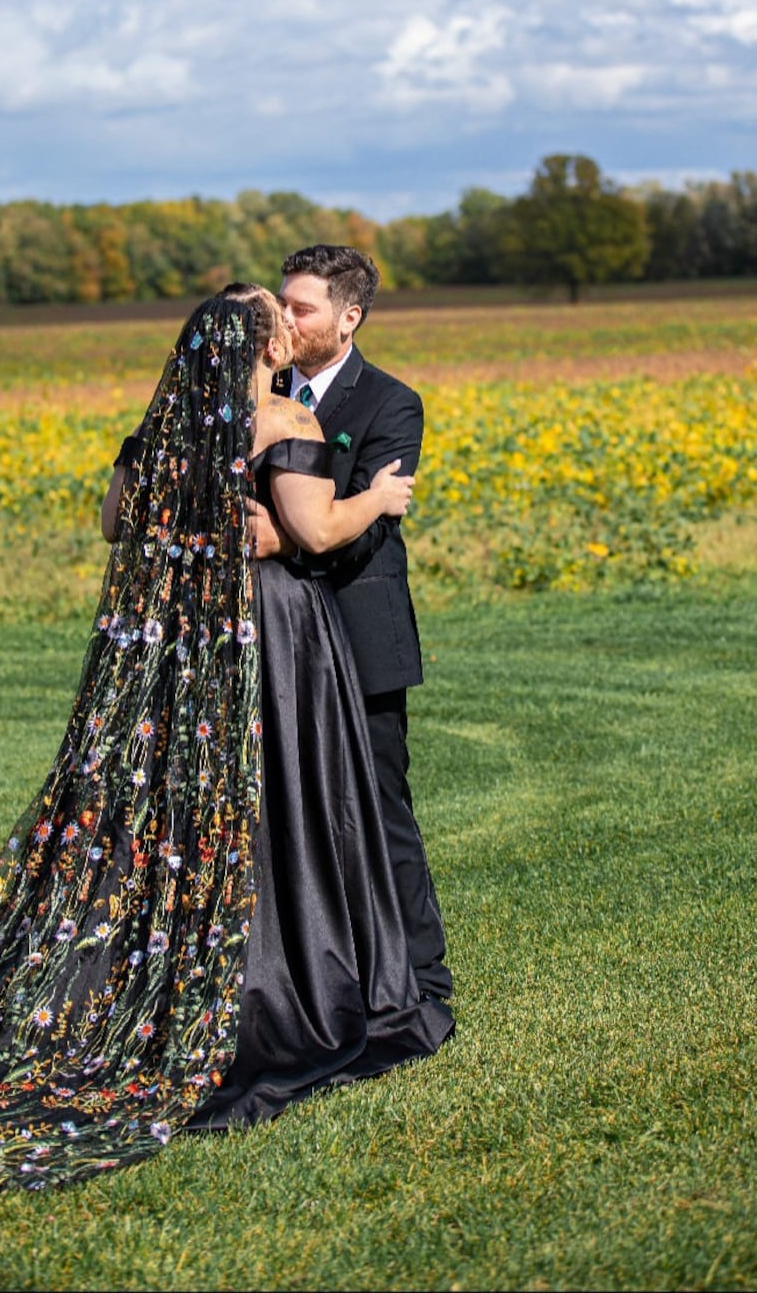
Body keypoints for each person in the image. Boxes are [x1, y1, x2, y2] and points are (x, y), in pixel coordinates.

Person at [0, 288, 451, 1192]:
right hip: (269, 632)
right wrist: (373, 500)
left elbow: (117, 521)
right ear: (259, 342)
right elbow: (312, 528)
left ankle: (167, 945)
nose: (287, 324)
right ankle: (285, 966)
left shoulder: (163, 426)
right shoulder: (279, 416)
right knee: (283, 795)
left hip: (180, 640)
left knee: (180, 800)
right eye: (275, 317)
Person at [257, 245, 452, 1005]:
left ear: (349, 315)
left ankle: (423, 975)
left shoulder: (391, 402)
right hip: (275, 636)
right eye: (282, 302)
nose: (286, 318)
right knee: (286, 812)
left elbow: (366, 526)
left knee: (378, 805)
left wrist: (282, 533)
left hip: (358, 627)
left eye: (300, 306)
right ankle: (313, 974)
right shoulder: (259, 392)